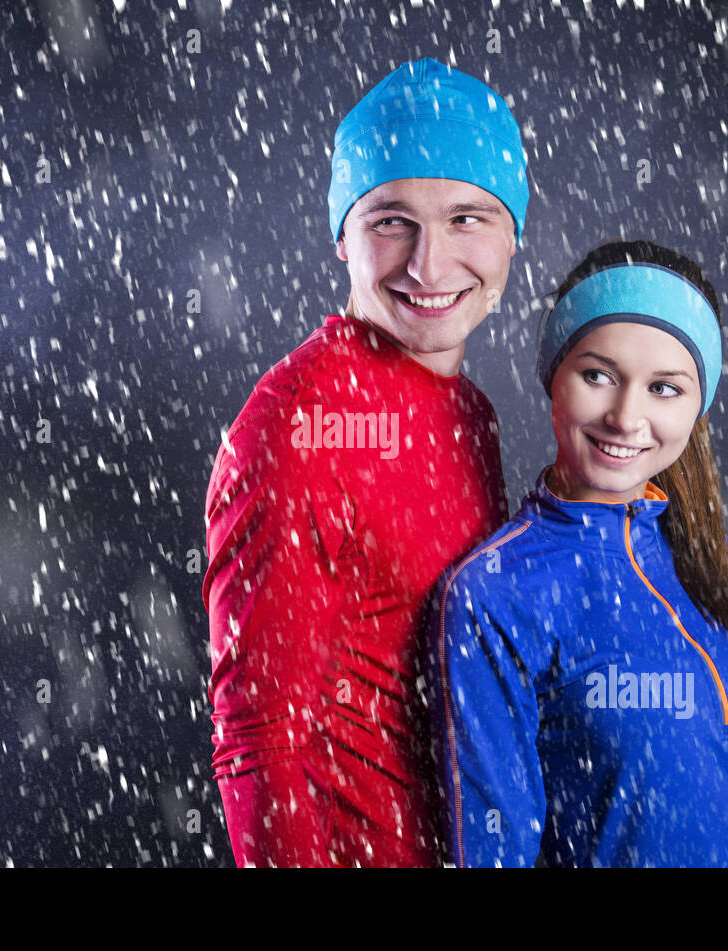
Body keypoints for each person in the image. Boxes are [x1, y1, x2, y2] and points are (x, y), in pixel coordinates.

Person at [201, 58, 529, 866]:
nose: (429, 265)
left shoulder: (472, 414)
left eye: (466, 219)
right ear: (341, 234)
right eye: (391, 220)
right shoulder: (298, 423)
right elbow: (259, 744)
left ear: (513, 240)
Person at [426, 239, 728, 867]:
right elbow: (493, 852)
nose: (626, 417)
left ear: (699, 406)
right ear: (553, 374)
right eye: (598, 376)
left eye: (665, 388)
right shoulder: (494, 594)